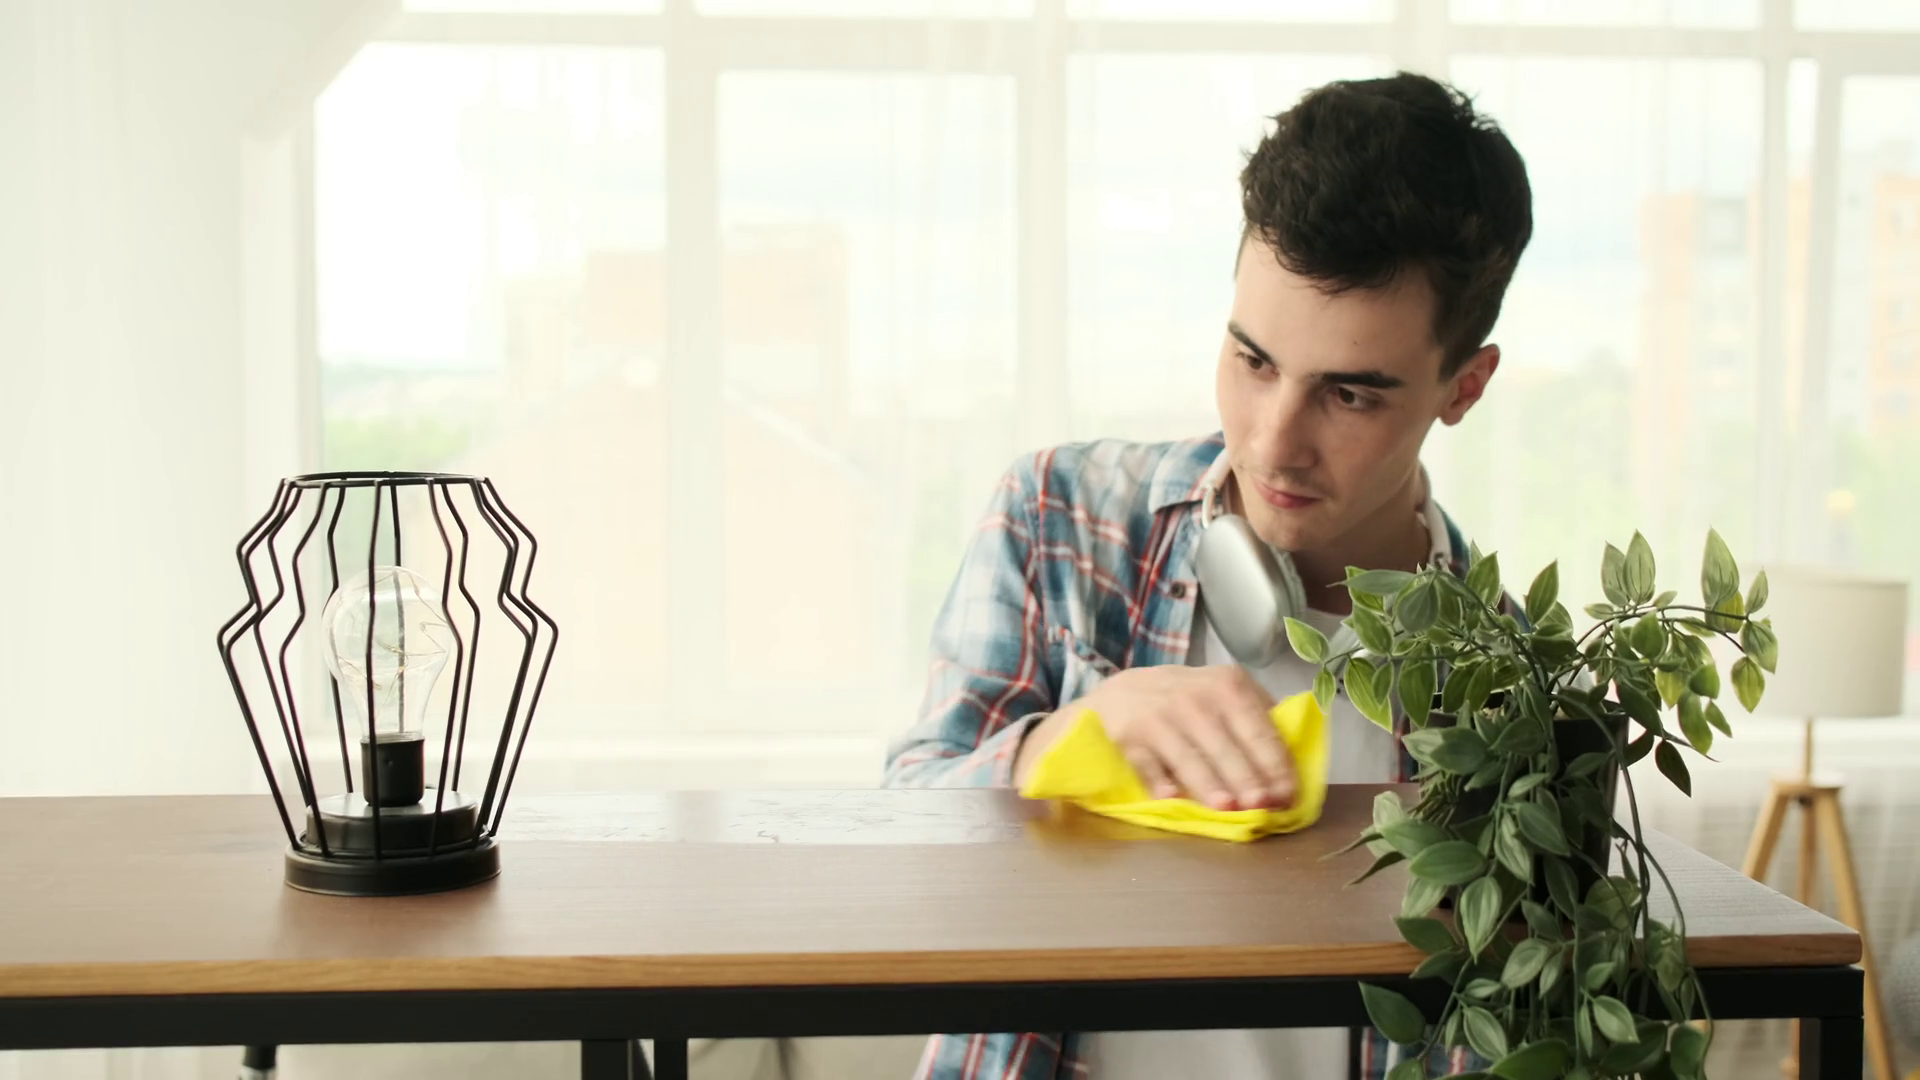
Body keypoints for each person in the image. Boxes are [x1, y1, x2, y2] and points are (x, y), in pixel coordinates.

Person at [881, 70, 1535, 1080]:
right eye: (1253, 359)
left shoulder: (1516, 682)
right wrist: (1053, 747)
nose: (1275, 443)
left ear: (1467, 387)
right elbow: (892, 852)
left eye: (1350, 395)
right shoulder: (1058, 515)